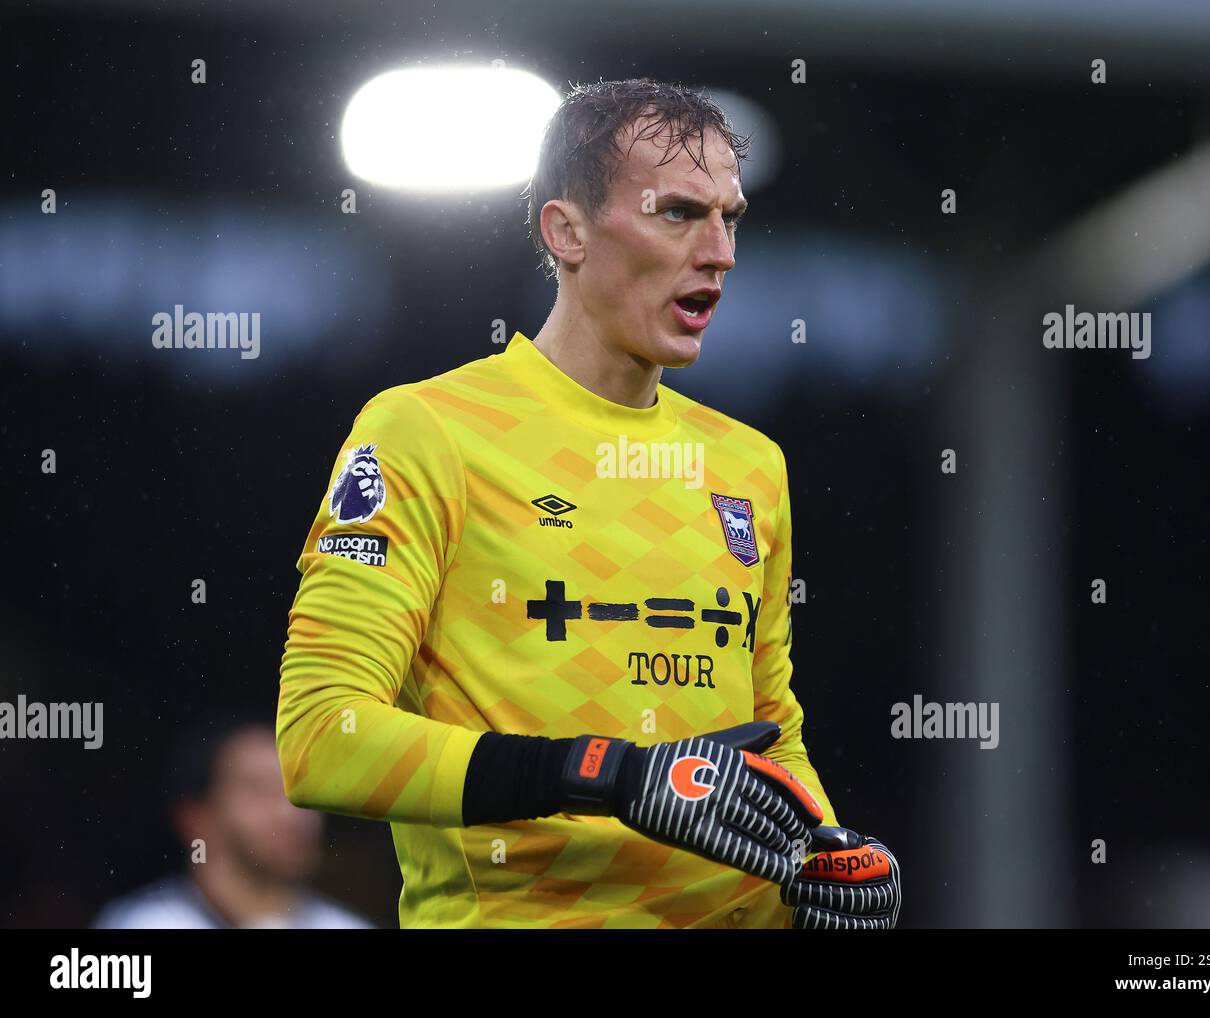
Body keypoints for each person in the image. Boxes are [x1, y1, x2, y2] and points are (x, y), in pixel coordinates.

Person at [277, 77, 899, 929]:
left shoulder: (749, 465)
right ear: (564, 232)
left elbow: (771, 735)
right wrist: (607, 773)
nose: (719, 251)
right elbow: (324, 739)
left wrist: (832, 857)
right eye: (678, 213)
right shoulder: (427, 431)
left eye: (731, 218)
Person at [93, 721, 371, 929]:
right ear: (195, 817)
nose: (293, 814)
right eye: (259, 790)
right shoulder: (143, 926)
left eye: (300, 791)